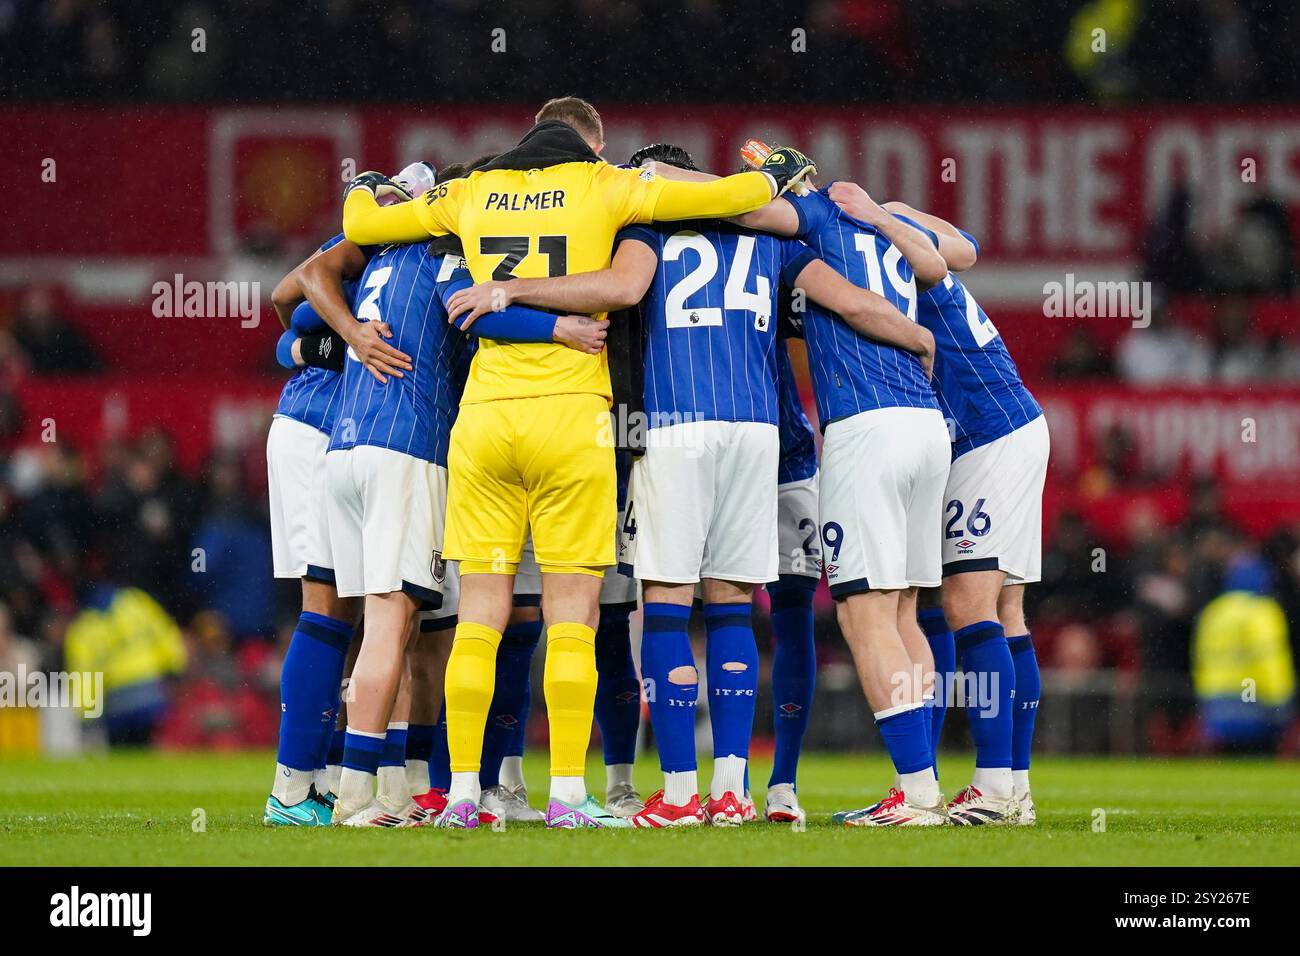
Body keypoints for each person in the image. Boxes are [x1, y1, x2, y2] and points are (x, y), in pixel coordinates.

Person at [340, 97, 815, 828]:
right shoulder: (606, 185)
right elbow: (734, 195)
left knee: (480, 620)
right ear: (588, 146)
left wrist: (365, 185)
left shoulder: (468, 193)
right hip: (573, 419)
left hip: (486, 419)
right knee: (573, 619)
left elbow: (362, 227)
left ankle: (465, 797)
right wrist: (778, 170)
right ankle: (567, 796)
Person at [451, 142, 930, 826]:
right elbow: (850, 300)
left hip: (677, 424)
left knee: (669, 603)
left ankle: (678, 793)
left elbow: (617, 292)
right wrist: (917, 335)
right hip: (758, 429)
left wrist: (511, 289)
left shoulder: (644, 233)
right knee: (734, 603)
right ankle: (734, 789)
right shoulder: (770, 238)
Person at [829, 183, 1050, 825]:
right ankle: (1009, 788)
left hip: (988, 429)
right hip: (1007, 422)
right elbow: (966, 249)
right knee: (1003, 608)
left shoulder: (889, 253)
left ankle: (993, 785)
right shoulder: (902, 235)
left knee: (965, 603)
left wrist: (877, 213)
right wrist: (895, 212)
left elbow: (938, 258)